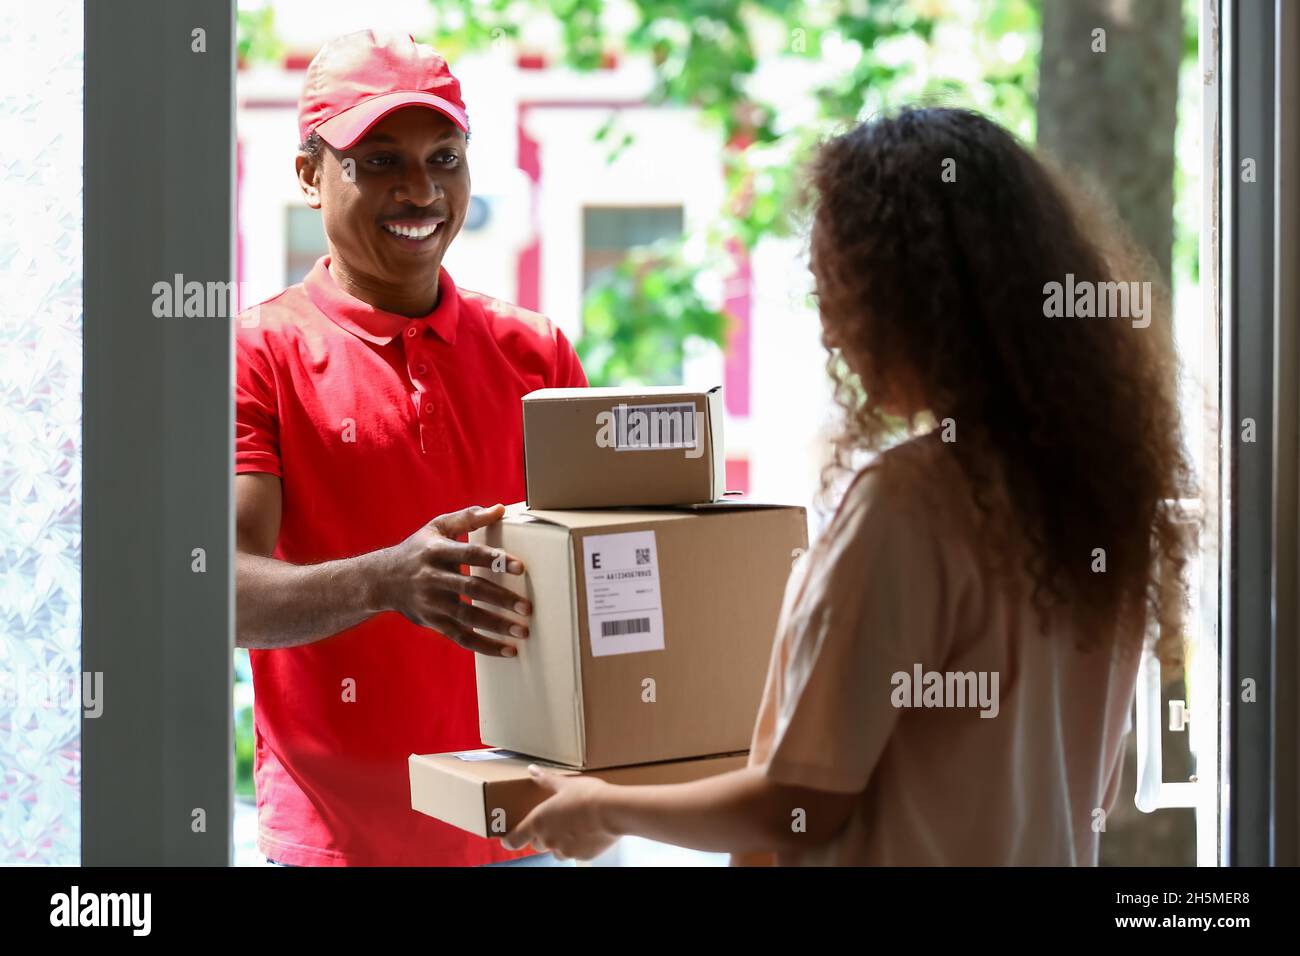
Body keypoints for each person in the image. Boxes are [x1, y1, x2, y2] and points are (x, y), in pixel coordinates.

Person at [502, 106, 1194, 866]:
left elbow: (800, 805)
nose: (829, 325)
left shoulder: (911, 503)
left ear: (909, 296)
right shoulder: (1094, 496)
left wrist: (603, 808)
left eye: (835, 282)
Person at [234, 30, 586, 867]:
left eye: (445, 156)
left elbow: (598, 570)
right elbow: (218, 590)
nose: (421, 188)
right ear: (311, 174)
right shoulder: (259, 355)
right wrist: (384, 579)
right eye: (380, 160)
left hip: (522, 838)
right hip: (337, 847)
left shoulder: (534, 352)